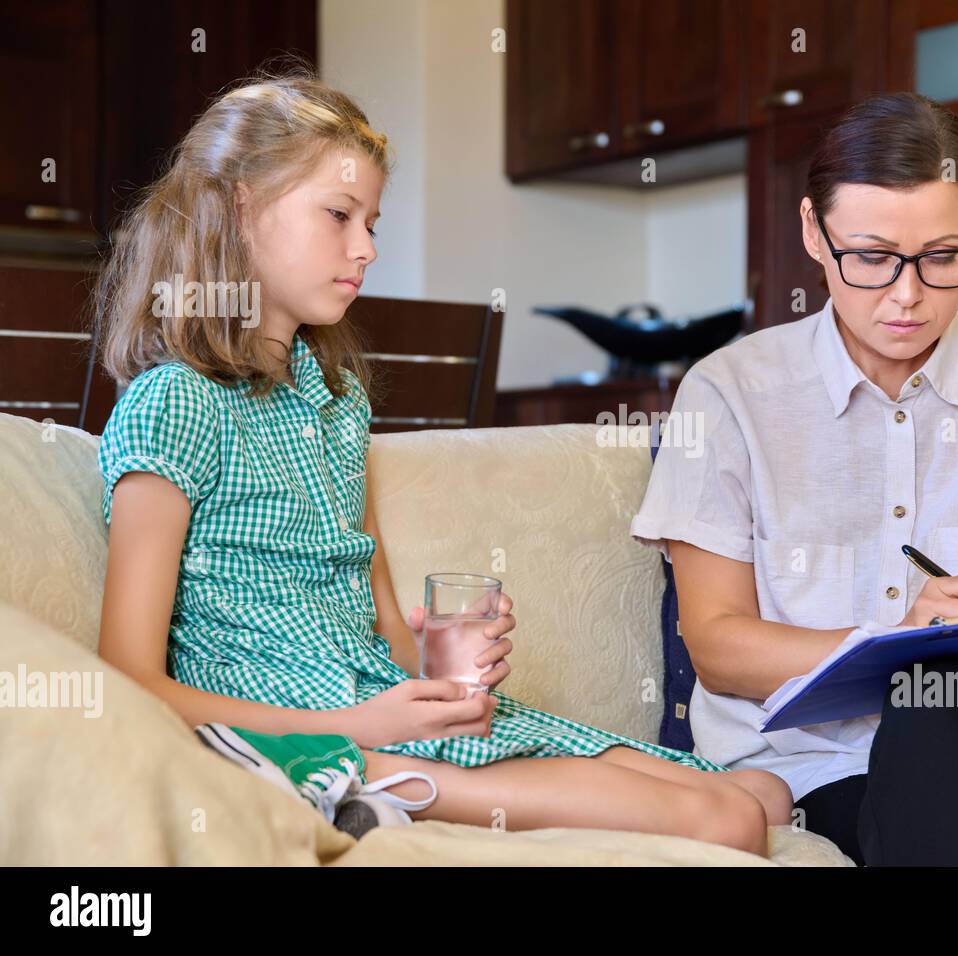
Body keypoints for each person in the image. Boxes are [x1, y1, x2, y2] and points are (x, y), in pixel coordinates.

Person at [93, 63, 791, 853]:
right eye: (339, 215)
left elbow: (382, 629)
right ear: (239, 205)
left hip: (378, 703)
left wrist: (447, 659)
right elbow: (128, 681)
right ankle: (349, 789)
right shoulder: (175, 404)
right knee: (730, 817)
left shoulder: (336, 402)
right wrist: (354, 726)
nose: (365, 248)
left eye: (373, 223)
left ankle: (393, 782)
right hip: (311, 736)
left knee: (763, 791)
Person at [631, 92, 958, 866]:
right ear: (814, 231)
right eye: (872, 257)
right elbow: (718, 646)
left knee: (937, 700)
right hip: (820, 769)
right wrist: (893, 643)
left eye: (944, 258)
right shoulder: (731, 394)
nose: (907, 296)